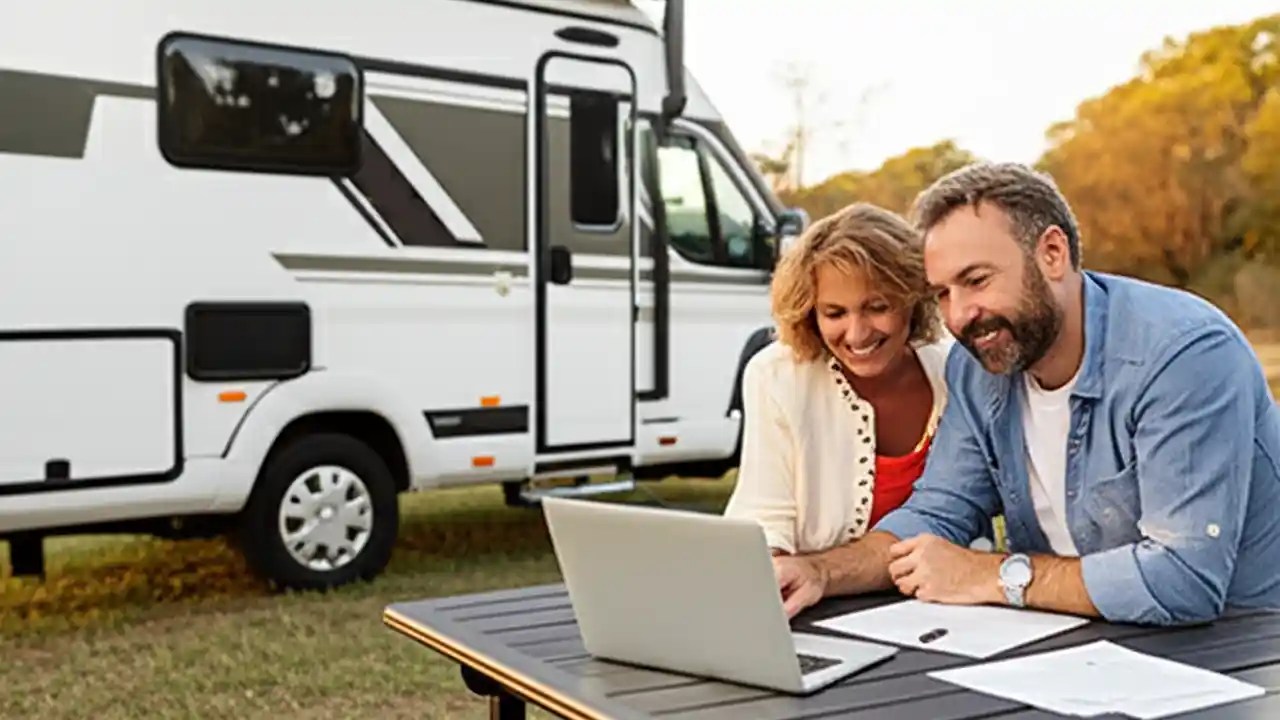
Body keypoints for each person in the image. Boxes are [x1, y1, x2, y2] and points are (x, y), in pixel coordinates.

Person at [772, 161, 1280, 627]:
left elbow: (1183, 581)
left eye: (976, 280)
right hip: (1067, 648)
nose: (959, 316)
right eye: (943, 293)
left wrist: (987, 576)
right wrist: (820, 573)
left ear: (1052, 254)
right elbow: (937, 512)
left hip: (1239, 649)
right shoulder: (980, 368)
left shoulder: (1183, 355)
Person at [723, 202, 956, 616]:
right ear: (811, 312)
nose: (857, 332)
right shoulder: (775, 375)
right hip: (819, 608)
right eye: (835, 313)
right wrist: (773, 574)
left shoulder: (954, 370)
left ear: (912, 297)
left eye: (878, 307)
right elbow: (764, 515)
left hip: (942, 609)